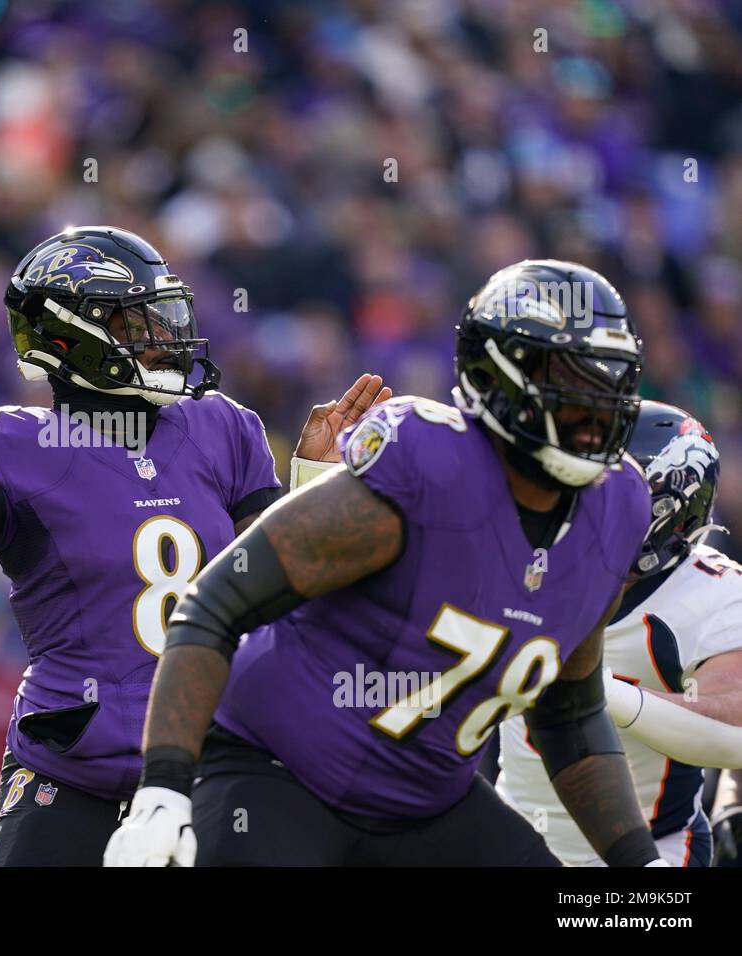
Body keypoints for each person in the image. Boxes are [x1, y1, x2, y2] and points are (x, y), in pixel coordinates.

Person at [0, 225, 390, 865]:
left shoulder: (223, 426)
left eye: (164, 316)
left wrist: (314, 484)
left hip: (213, 766)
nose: (165, 338)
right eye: (139, 322)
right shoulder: (17, 446)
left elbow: (282, 589)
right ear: (71, 337)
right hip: (77, 771)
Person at [105, 259, 669, 867]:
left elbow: (571, 713)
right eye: (571, 378)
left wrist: (643, 866)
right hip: (278, 773)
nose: (596, 404)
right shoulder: (429, 468)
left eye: (606, 380)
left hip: (429, 806)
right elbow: (215, 605)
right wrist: (162, 790)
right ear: (498, 372)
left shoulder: (619, 506)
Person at [498, 400, 739, 865]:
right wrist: (315, 475)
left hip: (648, 851)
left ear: (666, 511)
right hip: (512, 838)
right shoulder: (519, 551)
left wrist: (595, 693)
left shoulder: (711, 594)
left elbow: (734, 732)